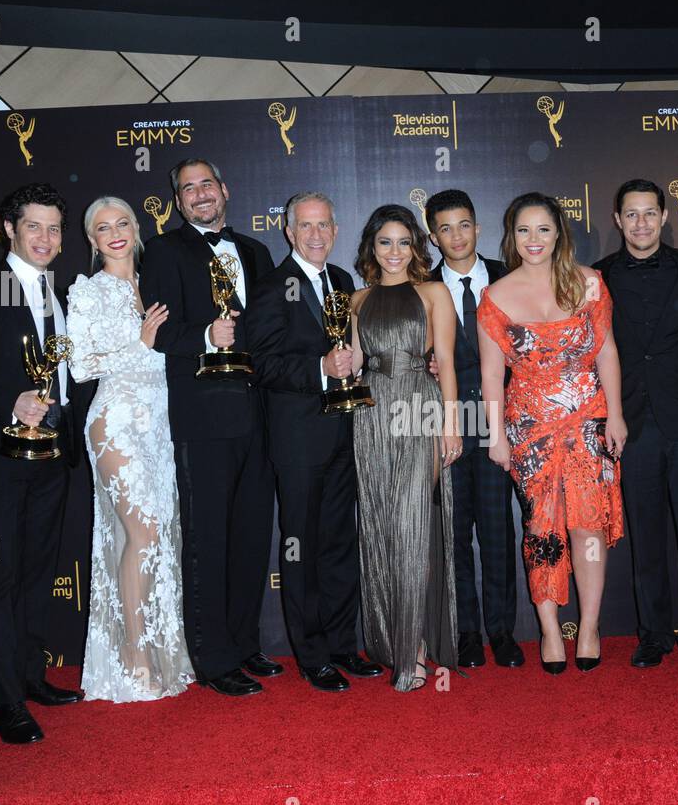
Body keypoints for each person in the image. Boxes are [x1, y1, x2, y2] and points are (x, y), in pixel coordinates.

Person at [0, 183, 89, 744]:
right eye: (34, 227)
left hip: (52, 454)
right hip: (0, 459)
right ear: (9, 228)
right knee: (1, 582)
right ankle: (5, 702)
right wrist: (9, 402)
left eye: (54, 229)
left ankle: (31, 677)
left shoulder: (55, 292)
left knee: (36, 574)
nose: (45, 239)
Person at [140, 159, 279, 697]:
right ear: (178, 202)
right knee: (208, 539)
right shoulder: (164, 251)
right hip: (202, 419)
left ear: (225, 189)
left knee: (249, 536)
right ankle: (213, 657)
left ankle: (245, 644)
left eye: (206, 185)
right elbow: (155, 332)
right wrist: (205, 333)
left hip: (257, 416)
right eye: (187, 189)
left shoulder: (257, 251)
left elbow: (273, 331)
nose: (199, 195)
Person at [477, 192, 626, 674]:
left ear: (559, 231)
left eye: (543, 229)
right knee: (541, 527)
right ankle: (547, 627)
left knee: (586, 525)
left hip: (589, 419)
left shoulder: (589, 283)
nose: (533, 240)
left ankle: (588, 625)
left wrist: (618, 414)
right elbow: (490, 373)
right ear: (511, 235)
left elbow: (606, 353)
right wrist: (495, 435)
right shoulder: (496, 296)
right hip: (529, 427)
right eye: (524, 230)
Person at [244, 192, 384, 693]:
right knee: (301, 545)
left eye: (324, 224)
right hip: (298, 439)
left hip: (344, 431)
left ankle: (344, 643)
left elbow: (351, 349)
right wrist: (320, 369)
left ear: (336, 228)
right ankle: (312, 654)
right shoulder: (269, 287)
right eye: (306, 226)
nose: (317, 234)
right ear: (288, 232)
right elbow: (259, 363)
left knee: (340, 542)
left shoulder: (343, 282)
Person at [66, 196, 194, 701]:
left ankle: (162, 651)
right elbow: (80, 367)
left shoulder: (156, 282)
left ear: (136, 229)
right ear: (92, 239)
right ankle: (134, 659)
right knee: (140, 533)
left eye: (122, 223)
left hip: (159, 426)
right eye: (103, 227)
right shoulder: (89, 292)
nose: (114, 233)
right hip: (115, 421)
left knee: (157, 536)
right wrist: (140, 342)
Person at [593, 179, 678, 669]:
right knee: (645, 536)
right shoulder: (596, 279)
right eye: (632, 214)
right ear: (617, 220)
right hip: (630, 424)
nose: (641, 223)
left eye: (650, 213)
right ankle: (653, 634)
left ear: (665, 217)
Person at [348, 204, 461, 691]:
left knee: (412, 523)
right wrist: (334, 363)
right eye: (384, 243)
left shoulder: (433, 292)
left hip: (420, 408)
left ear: (416, 247)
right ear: (371, 249)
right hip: (371, 413)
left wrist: (452, 426)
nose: (394, 252)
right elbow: (352, 364)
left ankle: (415, 648)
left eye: (403, 242)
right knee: (382, 526)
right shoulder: (355, 299)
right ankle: (393, 640)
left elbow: (448, 362)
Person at [424, 188, 523, 669]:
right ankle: (466, 633)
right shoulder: (420, 288)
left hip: (500, 420)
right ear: (433, 236)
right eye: (445, 228)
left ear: (478, 228)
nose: (456, 235)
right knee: (455, 530)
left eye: (464, 224)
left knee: (499, 528)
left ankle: (502, 631)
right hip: (444, 422)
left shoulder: (511, 278)